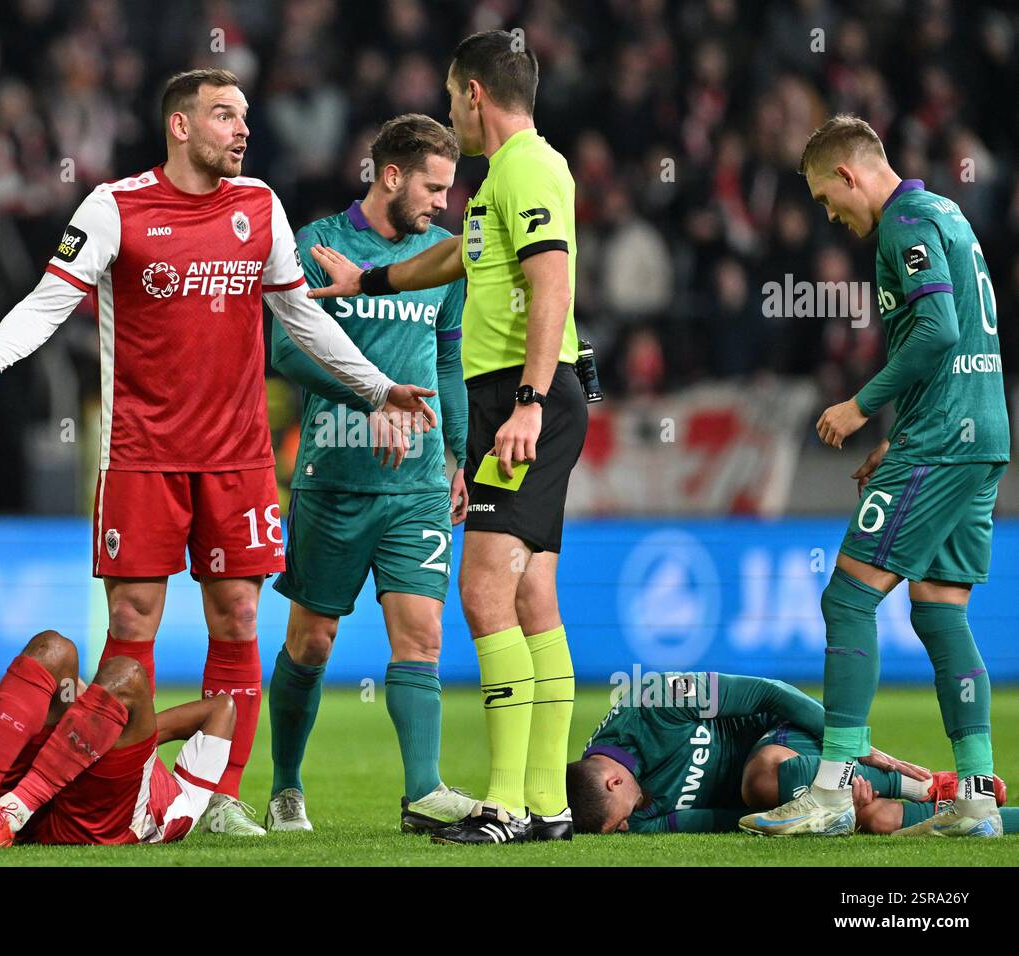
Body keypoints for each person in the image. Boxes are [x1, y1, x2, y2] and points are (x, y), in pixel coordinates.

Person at [0, 69, 436, 837]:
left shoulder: (260, 207)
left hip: (238, 455)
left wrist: (379, 388)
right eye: (224, 116)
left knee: (240, 614)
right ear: (181, 127)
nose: (242, 129)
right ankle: (135, 783)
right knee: (135, 616)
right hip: (142, 454)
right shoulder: (115, 207)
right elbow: (53, 298)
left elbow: (300, 321)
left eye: (244, 116)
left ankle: (217, 795)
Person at [308, 30, 587, 845]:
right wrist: (371, 279)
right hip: (527, 394)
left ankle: (502, 802)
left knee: (483, 593)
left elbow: (552, 284)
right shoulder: (506, 179)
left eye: (450, 95)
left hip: (526, 397)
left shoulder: (529, 166)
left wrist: (529, 402)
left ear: (472, 92)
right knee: (533, 597)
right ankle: (547, 804)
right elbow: (457, 261)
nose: (450, 115)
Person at [743, 115, 1009, 838]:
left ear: (850, 175)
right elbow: (961, 340)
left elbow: (939, 331)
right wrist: (897, 440)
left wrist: (863, 406)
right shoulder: (947, 213)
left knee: (848, 601)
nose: (832, 215)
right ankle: (977, 800)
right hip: (980, 430)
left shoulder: (904, 222)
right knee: (938, 608)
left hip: (944, 437)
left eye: (828, 199)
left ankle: (830, 792)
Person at [264, 114, 476, 834]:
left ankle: (423, 793)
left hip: (416, 483)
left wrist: (458, 454)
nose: (442, 203)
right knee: (312, 640)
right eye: (433, 186)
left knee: (421, 636)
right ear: (390, 175)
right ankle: (286, 784)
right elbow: (285, 350)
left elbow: (448, 360)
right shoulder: (317, 245)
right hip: (335, 476)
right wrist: (372, 395)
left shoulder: (443, 258)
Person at [566, 671, 1008, 834]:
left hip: (781, 736)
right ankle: (972, 810)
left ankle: (926, 785)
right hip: (788, 787)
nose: (625, 828)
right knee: (878, 821)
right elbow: (728, 821)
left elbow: (767, 693)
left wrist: (852, 747)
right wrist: (801, 805)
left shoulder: (653, 701)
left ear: (614, 780)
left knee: (758, 782)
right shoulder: (634, 819)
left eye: (617, 821)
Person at [0, 630, 235, 848]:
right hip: (55, 776)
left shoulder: (186, 808)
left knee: (127, 673)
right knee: (52, 647)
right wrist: (101, 721)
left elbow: (224, 707)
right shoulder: (153, 765)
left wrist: (110, 724)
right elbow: (221, 708)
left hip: (95, 821)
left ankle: (11, 813)